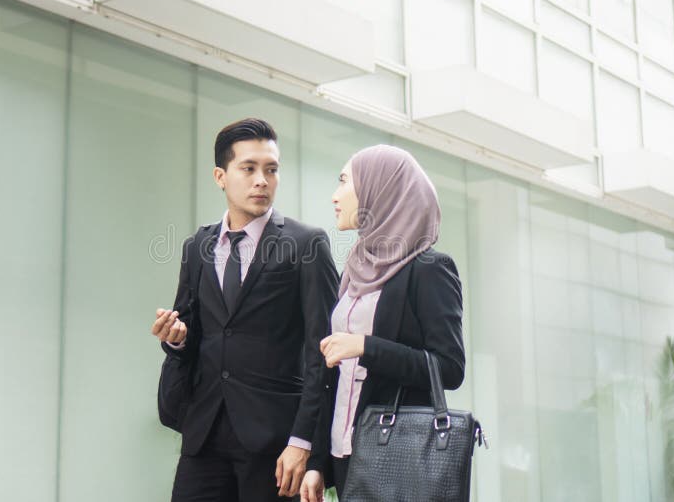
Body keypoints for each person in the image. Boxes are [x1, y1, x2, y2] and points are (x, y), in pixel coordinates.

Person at [151, 118, 339, 501]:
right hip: (204, 435)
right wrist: (175, 339)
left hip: (275, 443)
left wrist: (303, 441)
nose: (262, 180)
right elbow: (193, 330)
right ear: (221, 176)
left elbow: (323, 351)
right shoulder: (197, 246)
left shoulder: (307, 243)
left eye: (271, 169)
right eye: (248, 168)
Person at [299, 145, 466, 501]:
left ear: (380, 189)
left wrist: (365, 347)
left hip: (395, 455)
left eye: (345, 181)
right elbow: (335, 377)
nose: (335, 195)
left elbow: (449, 368)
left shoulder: (429, 269)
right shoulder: (356, 268)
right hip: (345, 453)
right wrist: (317, 462)